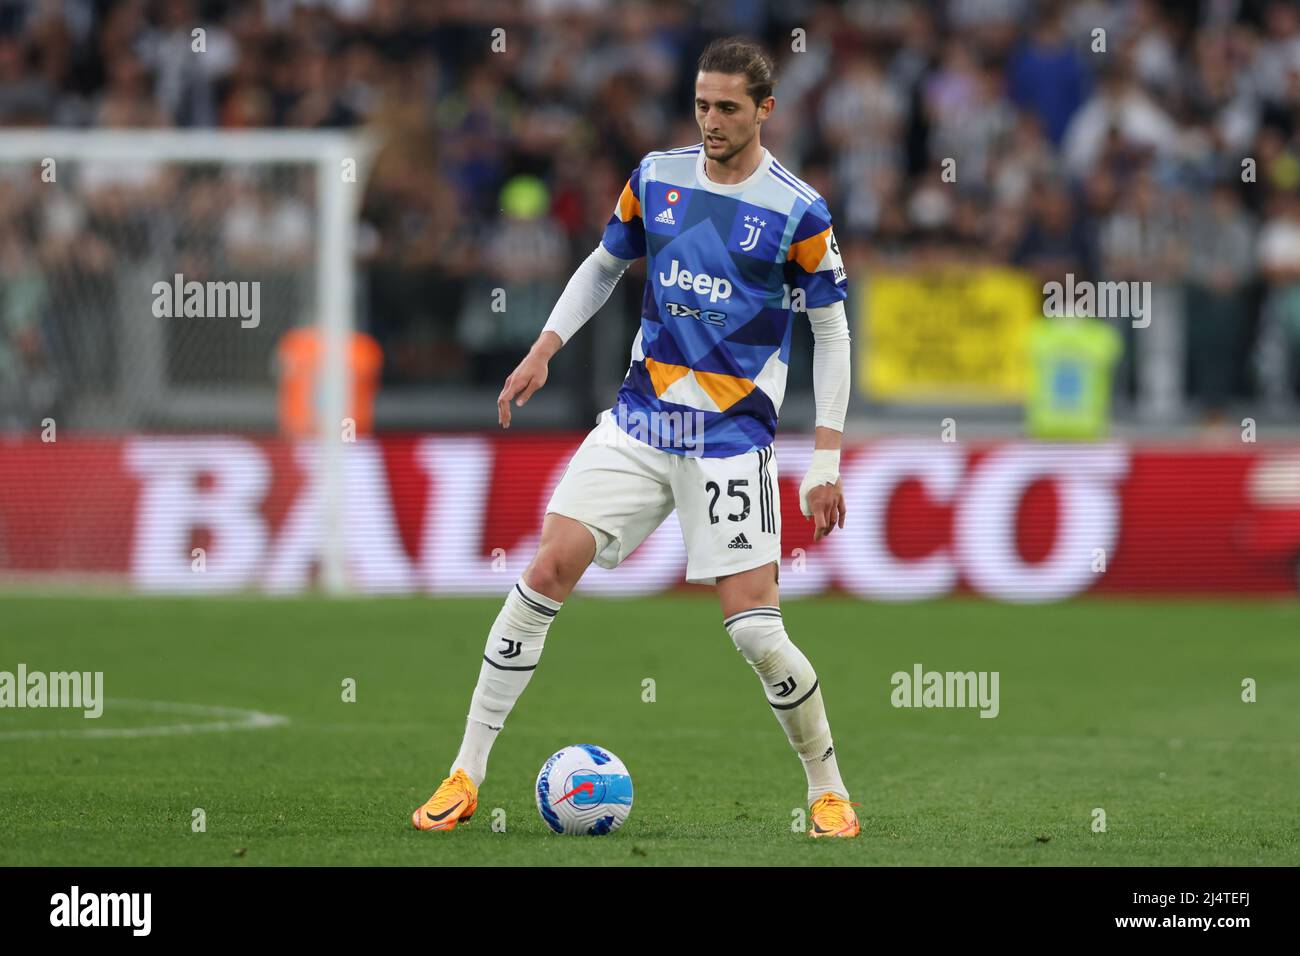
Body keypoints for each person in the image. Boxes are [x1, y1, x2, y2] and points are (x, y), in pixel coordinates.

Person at [412, 37, 859, 838]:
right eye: (701, 103)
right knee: (547, 568)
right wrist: (544, 348)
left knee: (756, 632)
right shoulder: (656, 178)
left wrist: (824, 460)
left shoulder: (799, 211)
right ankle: (465, 773)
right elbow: (603, 265)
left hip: (728, 439)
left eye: (727, 106)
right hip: (639, 422)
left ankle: (828, 788)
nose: (711, 120)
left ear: (765, 110)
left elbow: (832, 333)